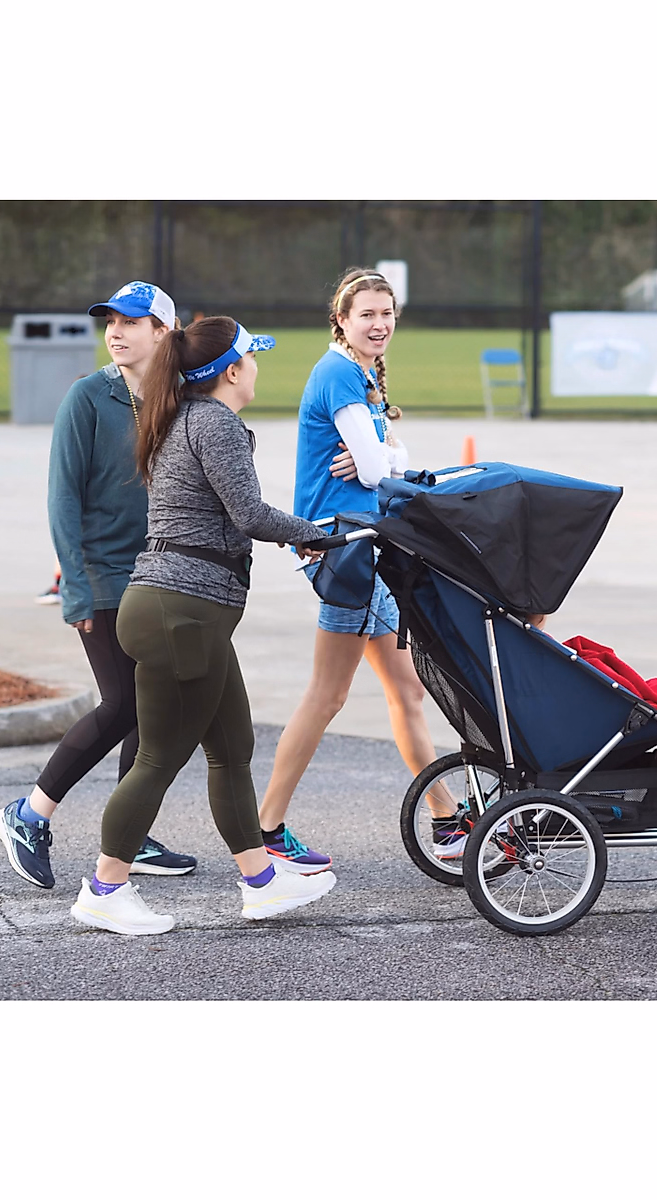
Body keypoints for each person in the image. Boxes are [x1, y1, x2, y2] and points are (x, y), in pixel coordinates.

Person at [69, 316, 339, 936]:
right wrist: (318, 535)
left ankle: (261, 882)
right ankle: (106, 888)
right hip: (180, 613)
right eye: (251, 357)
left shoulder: (182, 416)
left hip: (181, 611)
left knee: (231, 750)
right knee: (159, 758)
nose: (257, 367)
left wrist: (304, 535)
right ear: (232, 371)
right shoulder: (212, 423)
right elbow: (248, 514)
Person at [0, 282, 197, 890]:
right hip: (105, 578)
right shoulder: (87, 397)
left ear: (163, 331)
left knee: (153, 710)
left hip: (158, 576)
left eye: (132, 321)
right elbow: (62, 501)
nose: (115, 330)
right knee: (126, 703)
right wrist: (76, 587)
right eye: (109, 320)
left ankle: (127, 836)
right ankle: (28, 814)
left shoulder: (177, 398)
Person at [256, 267, 456, 868]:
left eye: (387, 312)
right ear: (341, 319)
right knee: (327, 695)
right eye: (367, 313)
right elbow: (374, 471)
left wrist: (387, 458)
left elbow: (385, 461)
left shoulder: (361, 375)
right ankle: (266, 828)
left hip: (367, 551)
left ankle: (446, 817)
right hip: (348, 556)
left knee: (406, 688)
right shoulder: (340, 372)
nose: (380, 323)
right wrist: (386, 460)